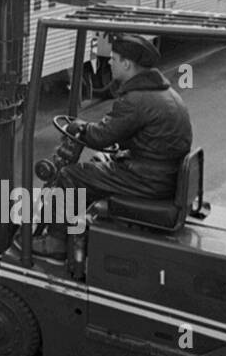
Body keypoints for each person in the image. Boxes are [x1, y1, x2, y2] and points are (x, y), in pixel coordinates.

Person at [31, 32, 193, 258]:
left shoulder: (136, 100)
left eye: (114, 59)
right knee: (98, 161)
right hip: (160, 174)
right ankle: (79, 230)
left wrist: (79, 128)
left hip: (147, 180)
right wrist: (87, 128)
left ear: (127, 64)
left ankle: (56, 240)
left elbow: (101, 137)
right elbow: (118, 131)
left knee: (70, 175)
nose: (109, 62)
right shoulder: (163, 93)